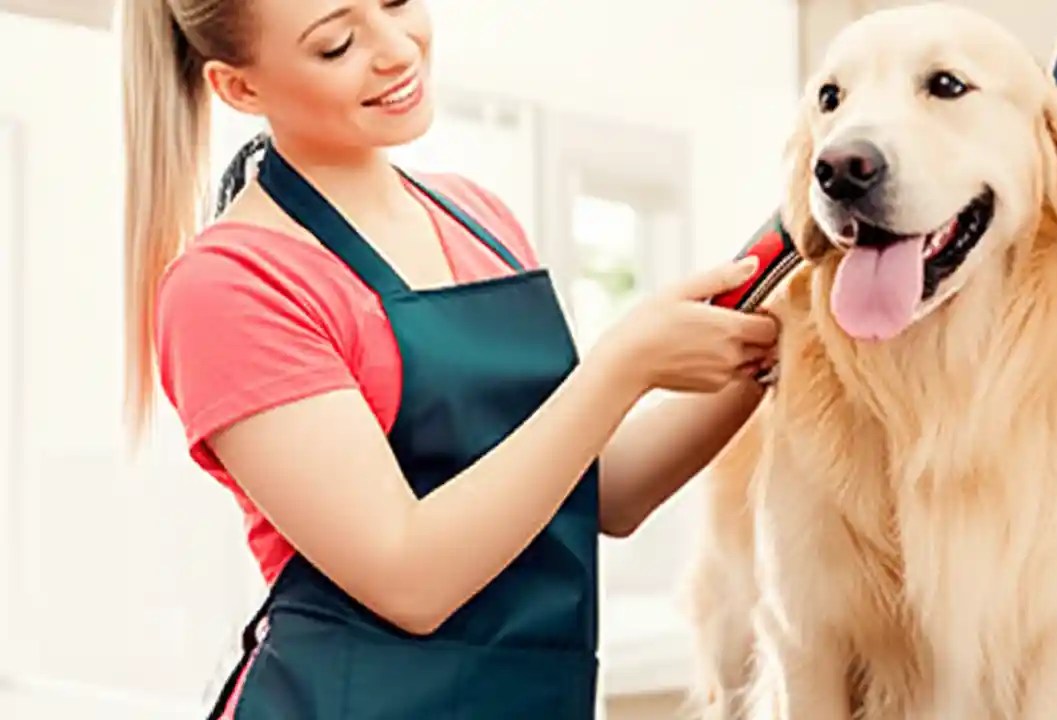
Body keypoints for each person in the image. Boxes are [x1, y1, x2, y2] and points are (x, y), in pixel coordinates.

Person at [120, 1, 779, 717]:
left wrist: (781, 326)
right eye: (337, 44)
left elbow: (605, 491)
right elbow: (411, 579)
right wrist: (624, 365)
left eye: (397, 1)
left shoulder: (479, 219)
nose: (396, 49)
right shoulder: (232, 285)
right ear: (241, 89)